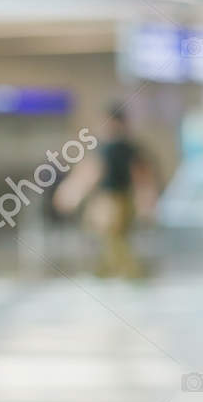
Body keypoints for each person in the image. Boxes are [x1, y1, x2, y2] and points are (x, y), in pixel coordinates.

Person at [54, 103, 157, 278]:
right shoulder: (121, 147)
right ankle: (107, 272)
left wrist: (72, 193)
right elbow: (141, 176)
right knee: (110, 238)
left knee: (113, 238)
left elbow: (92, 172)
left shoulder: (116, 148)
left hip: (114, 201)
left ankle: (128, 273)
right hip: (114, 200)